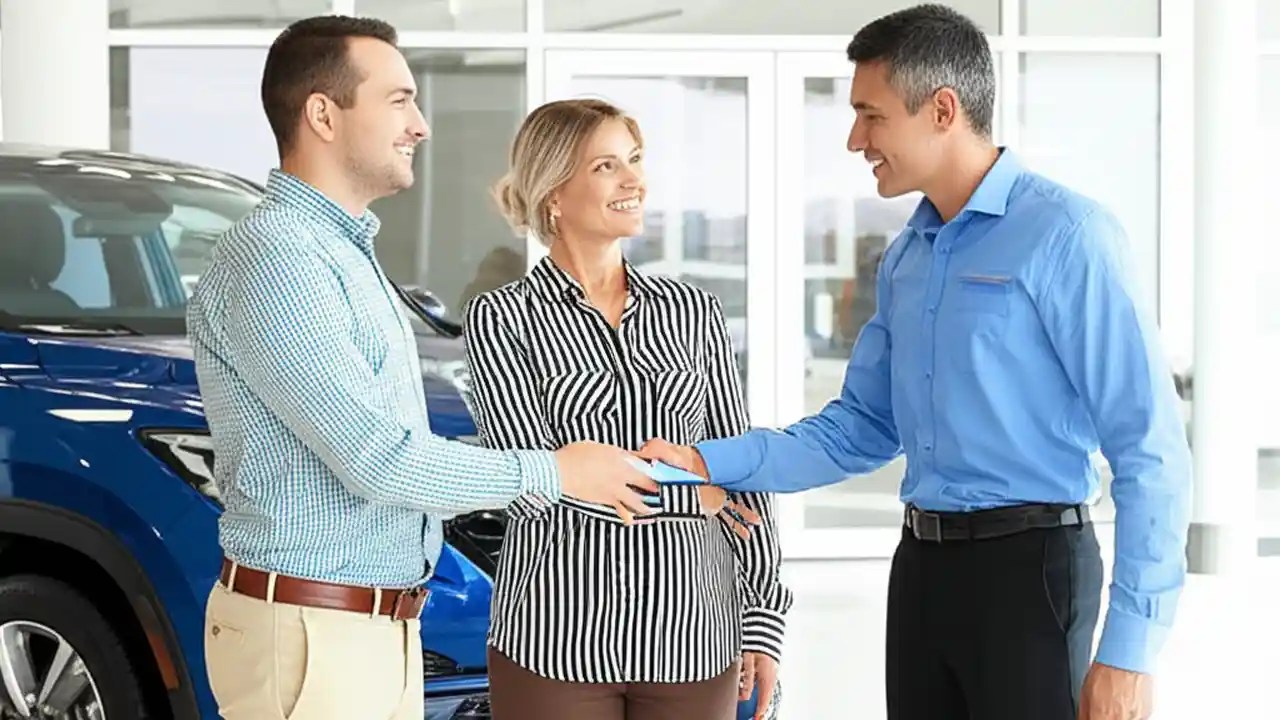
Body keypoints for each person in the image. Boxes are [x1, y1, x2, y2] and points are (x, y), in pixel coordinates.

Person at [640, 5, 1192, 720]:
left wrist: (1130, 652)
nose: (854, 139)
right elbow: (861, 428)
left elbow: (1150, 448)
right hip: (923, 571)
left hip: (1032, 575)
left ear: (941, 109)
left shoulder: (1067, 235)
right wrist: (706, 462)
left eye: (871, 116)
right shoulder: (907, 255)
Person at [186, 17, 657, 720]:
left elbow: (400, 454)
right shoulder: (279, 258)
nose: (421, 125)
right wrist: (557, 472)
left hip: (370, 630)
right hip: (317, 634)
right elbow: (380, 463)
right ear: (323, 113)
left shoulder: (343, 252)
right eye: (399, 100)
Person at [462, 98, 793, 720]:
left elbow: (739, 469)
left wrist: (762, 620)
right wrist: (699, 496)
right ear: (554, 192)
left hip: (696, 639)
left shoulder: (693, 311)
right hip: (556, 642)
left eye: (635, 162)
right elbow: (539, 485)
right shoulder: (499, 318)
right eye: (606, 166)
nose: (634, 181)